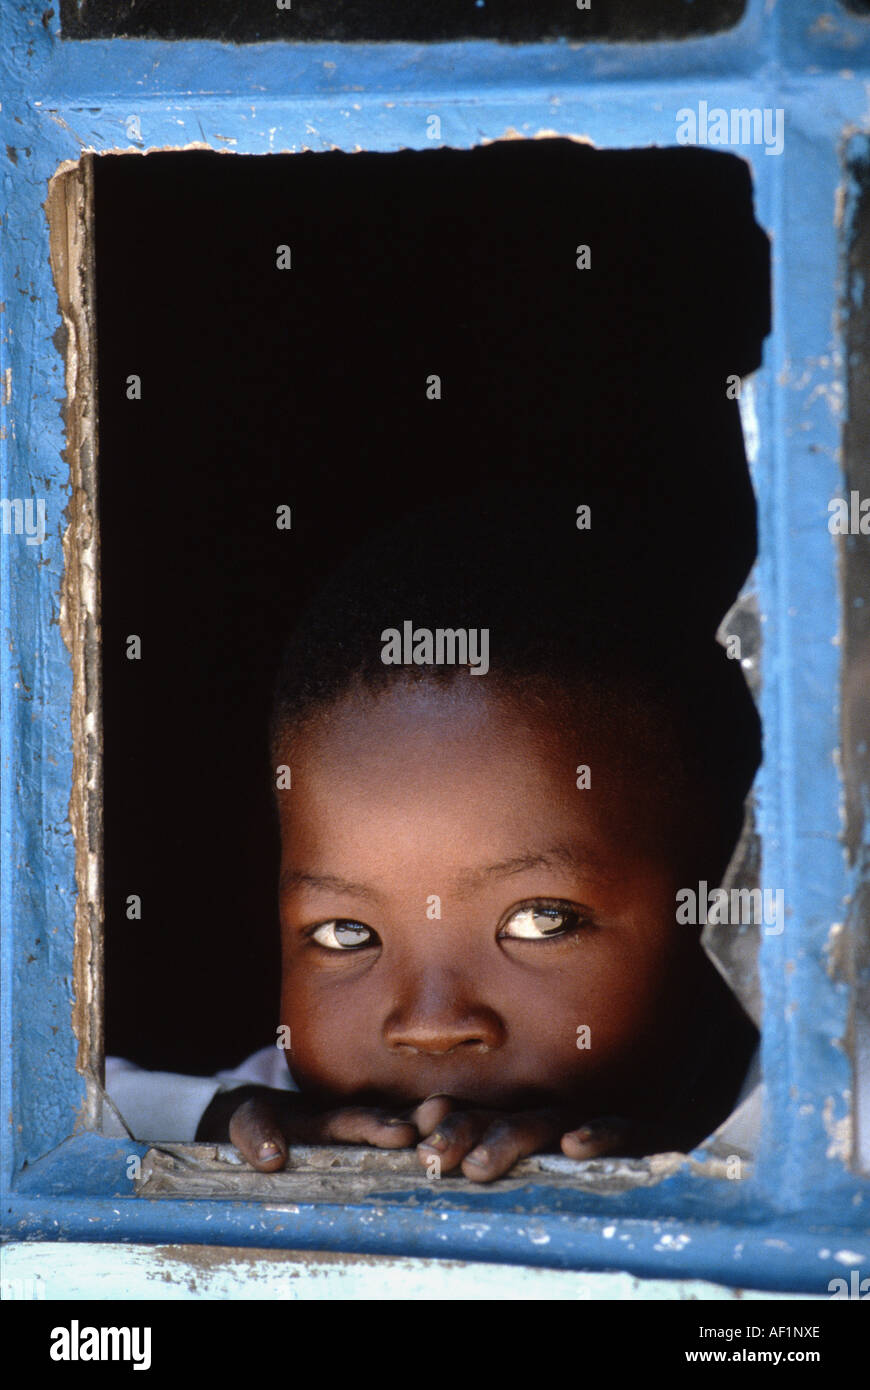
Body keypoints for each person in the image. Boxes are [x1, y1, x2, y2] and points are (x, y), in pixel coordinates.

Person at [106, 491, 761, 1181]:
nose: (430, 1023)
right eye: (346, 933)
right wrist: (208, 1118)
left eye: (542, 920)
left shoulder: (822, 1127)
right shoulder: (283, 1114)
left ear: (722, 900)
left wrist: (687, 1163)